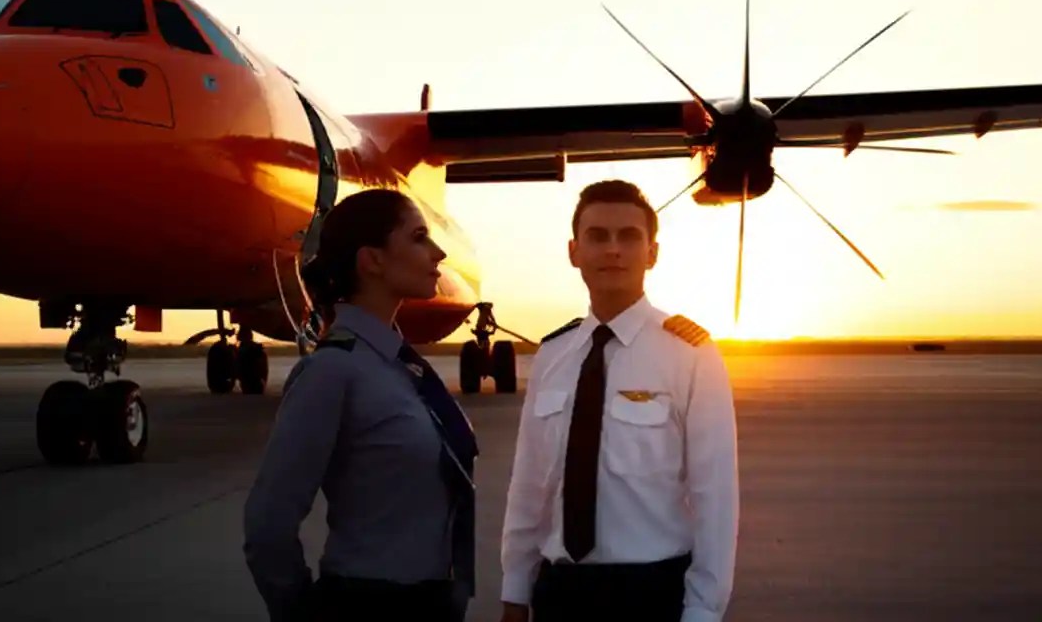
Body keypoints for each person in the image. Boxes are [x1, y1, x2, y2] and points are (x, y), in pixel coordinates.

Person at [499, 179, 739, 622]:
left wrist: (703, 611)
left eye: (629, 236)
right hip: (560, 592)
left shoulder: (690, 354)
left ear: (652, 253)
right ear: (574, 252)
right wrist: (515, 590)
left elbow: (716, 498)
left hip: (651, 593)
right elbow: (529, 488)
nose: (613, 249)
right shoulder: (553, 356)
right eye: (598, 236)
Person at [243, 188, 478, 622]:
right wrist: (302, 614)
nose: (439, 252)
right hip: (371, 602)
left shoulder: (397, 366)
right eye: (419, 237)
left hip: (433, 602)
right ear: (372, 260)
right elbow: (268, 526)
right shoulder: (331, 371)